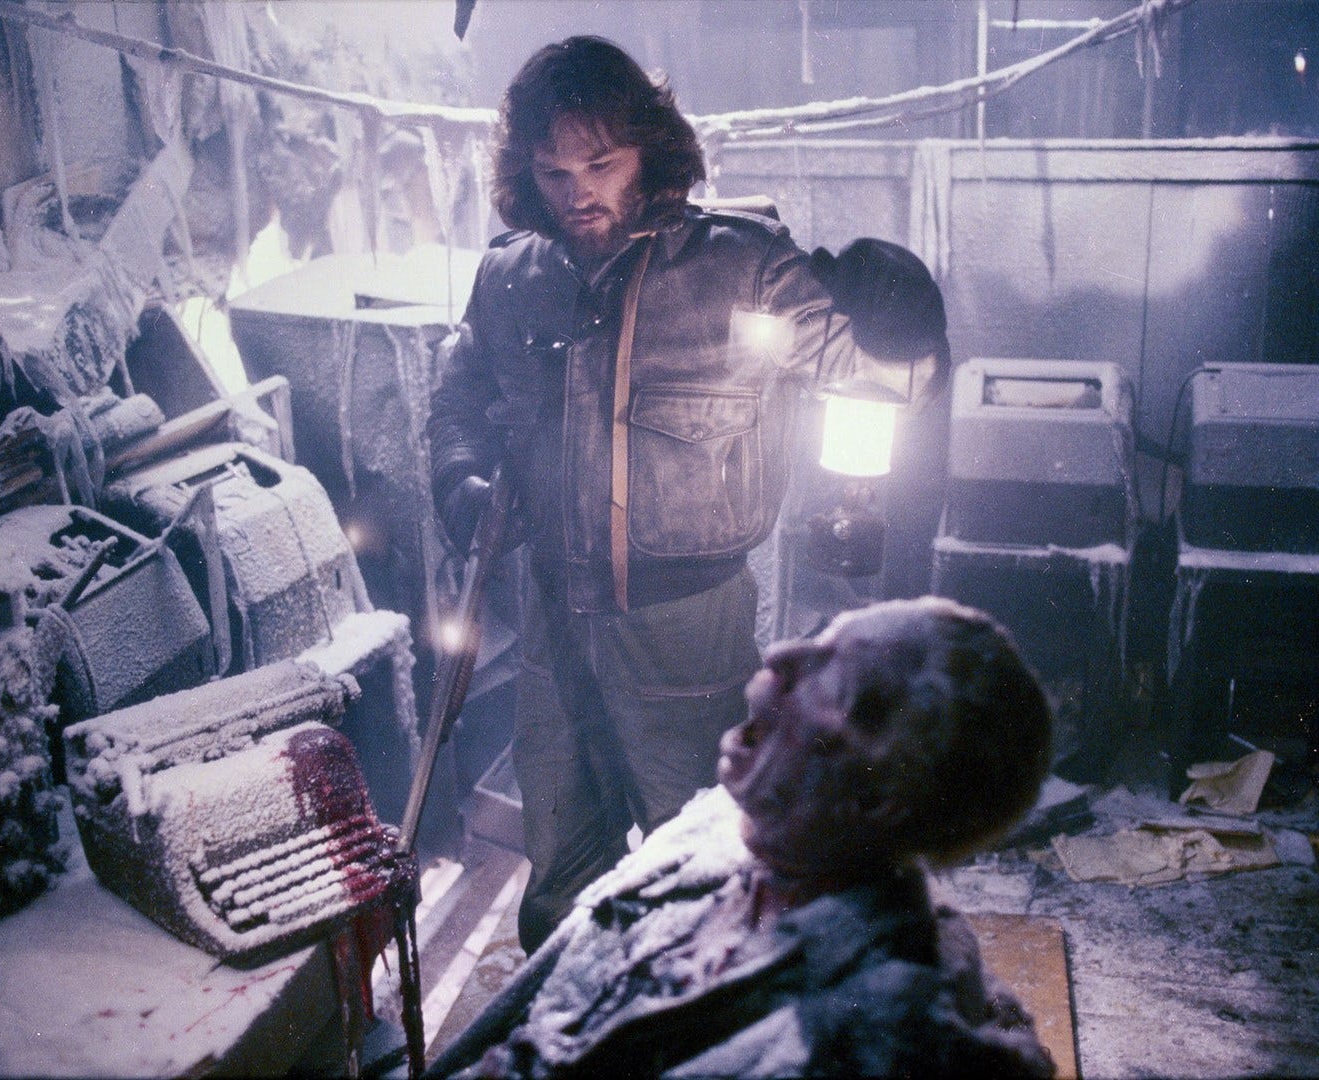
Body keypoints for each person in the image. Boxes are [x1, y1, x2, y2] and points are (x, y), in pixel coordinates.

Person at [426, 36, 944, 952]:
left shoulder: (741, 270)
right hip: (551, 623)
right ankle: (574, 1006)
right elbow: (458, 395)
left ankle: (698, 1010)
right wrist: (460, 480)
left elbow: (887, 379)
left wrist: (896, 316)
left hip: (687, 633)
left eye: (602, 164)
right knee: (561, 873)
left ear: (651, 151)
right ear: (524, 172)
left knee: (707, 873)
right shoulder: (510, 280)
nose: (578, 193)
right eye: (553, 172)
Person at [426, 596, 1057, 1079]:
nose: (779, 655)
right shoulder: (712, 833)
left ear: (879, 798)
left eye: (828, 673)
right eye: (818, 638)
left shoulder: (863, 1034)